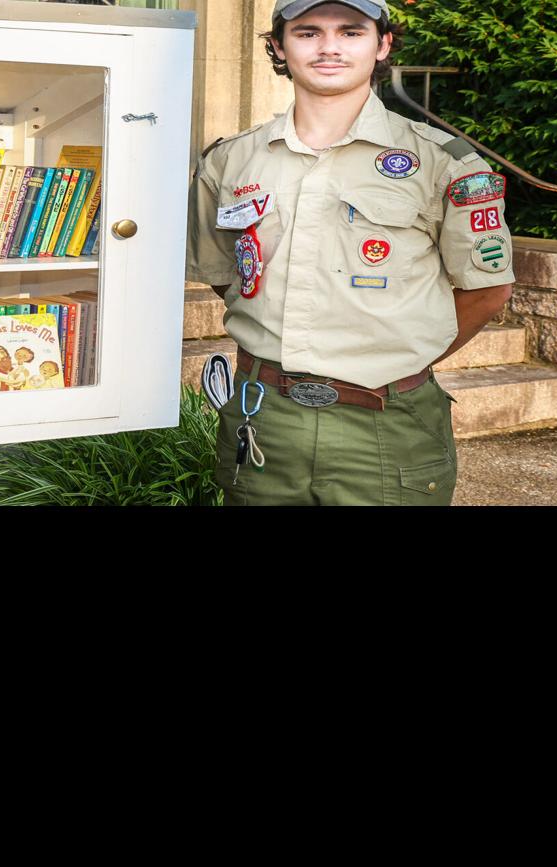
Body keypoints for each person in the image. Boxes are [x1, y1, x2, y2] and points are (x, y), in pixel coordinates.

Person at [185, 0, 516, 506]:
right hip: (264, 418)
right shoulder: (230, 160)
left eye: (352, 31)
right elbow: (226, 272)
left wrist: (402, 359)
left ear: (382, 45)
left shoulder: (443, 163)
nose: (330, 47)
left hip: (388, 424)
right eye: (309, 32)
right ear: (278, 45)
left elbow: (488, 291)